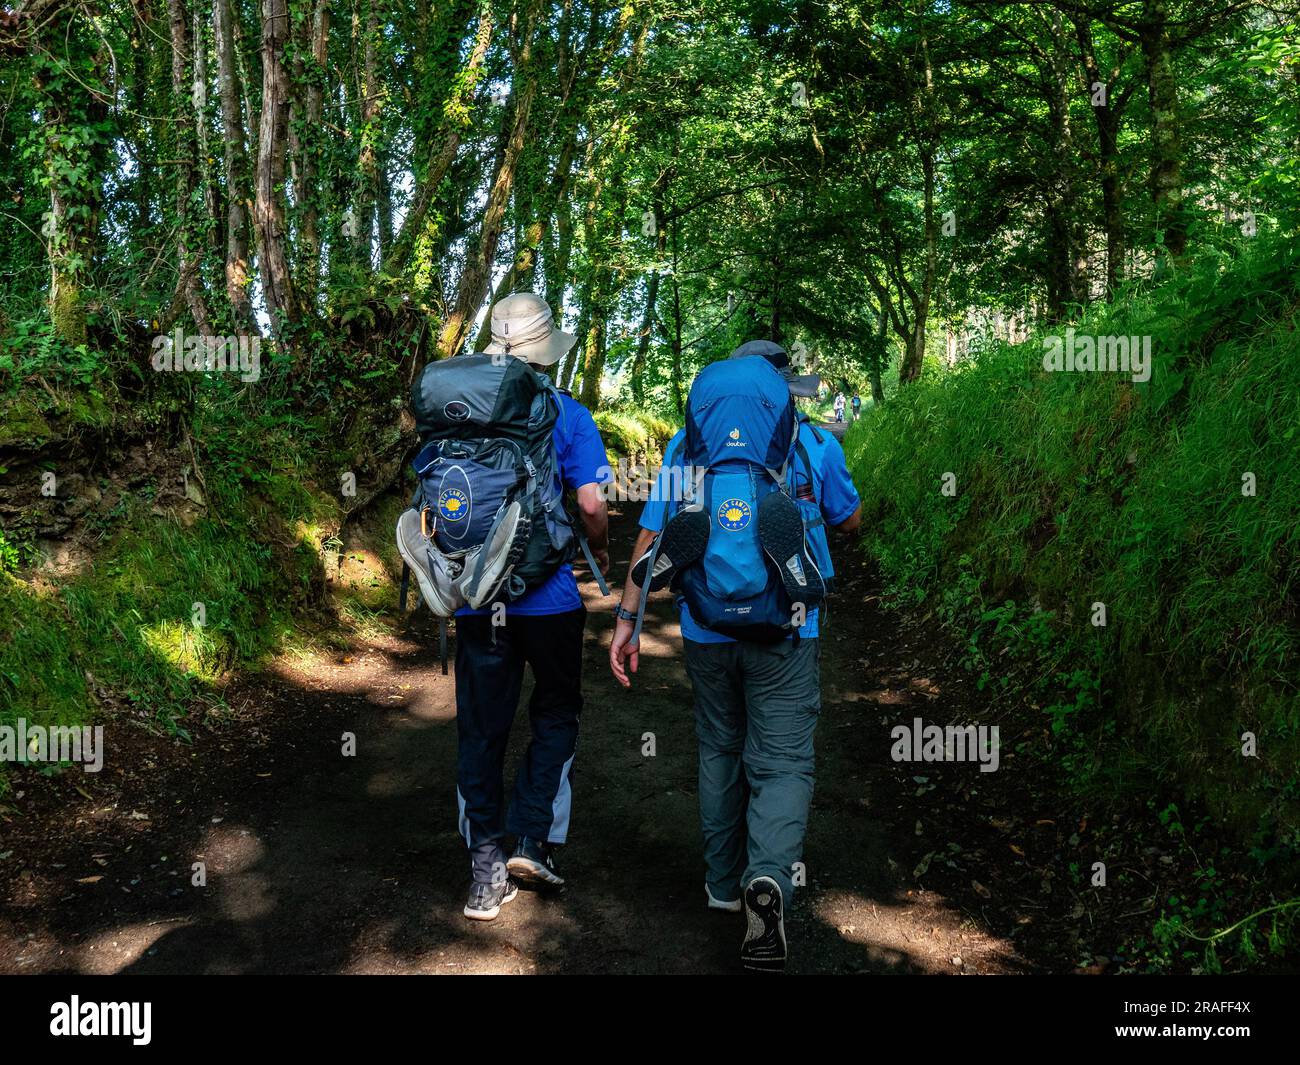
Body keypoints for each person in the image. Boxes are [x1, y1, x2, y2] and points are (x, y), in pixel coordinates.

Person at [609, 340, 862, 971]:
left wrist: (626, 619)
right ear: (780, 396)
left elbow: (651, 535)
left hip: (705, 625)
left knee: (720, 746)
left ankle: (723, 885)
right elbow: (850, 520)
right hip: (788, 629)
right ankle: (770, 879)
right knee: (780, 759)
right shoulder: (814, 446)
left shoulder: (684, 451)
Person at [454, 292, 611, 920]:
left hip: (477, 597)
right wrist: (595, 545)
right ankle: (532, 840)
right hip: (551, 600)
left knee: (482, 727)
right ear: (547, 356)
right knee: (555, 711)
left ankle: (484, 873)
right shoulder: (569, 415)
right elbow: (594, 506)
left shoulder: (461, 415)